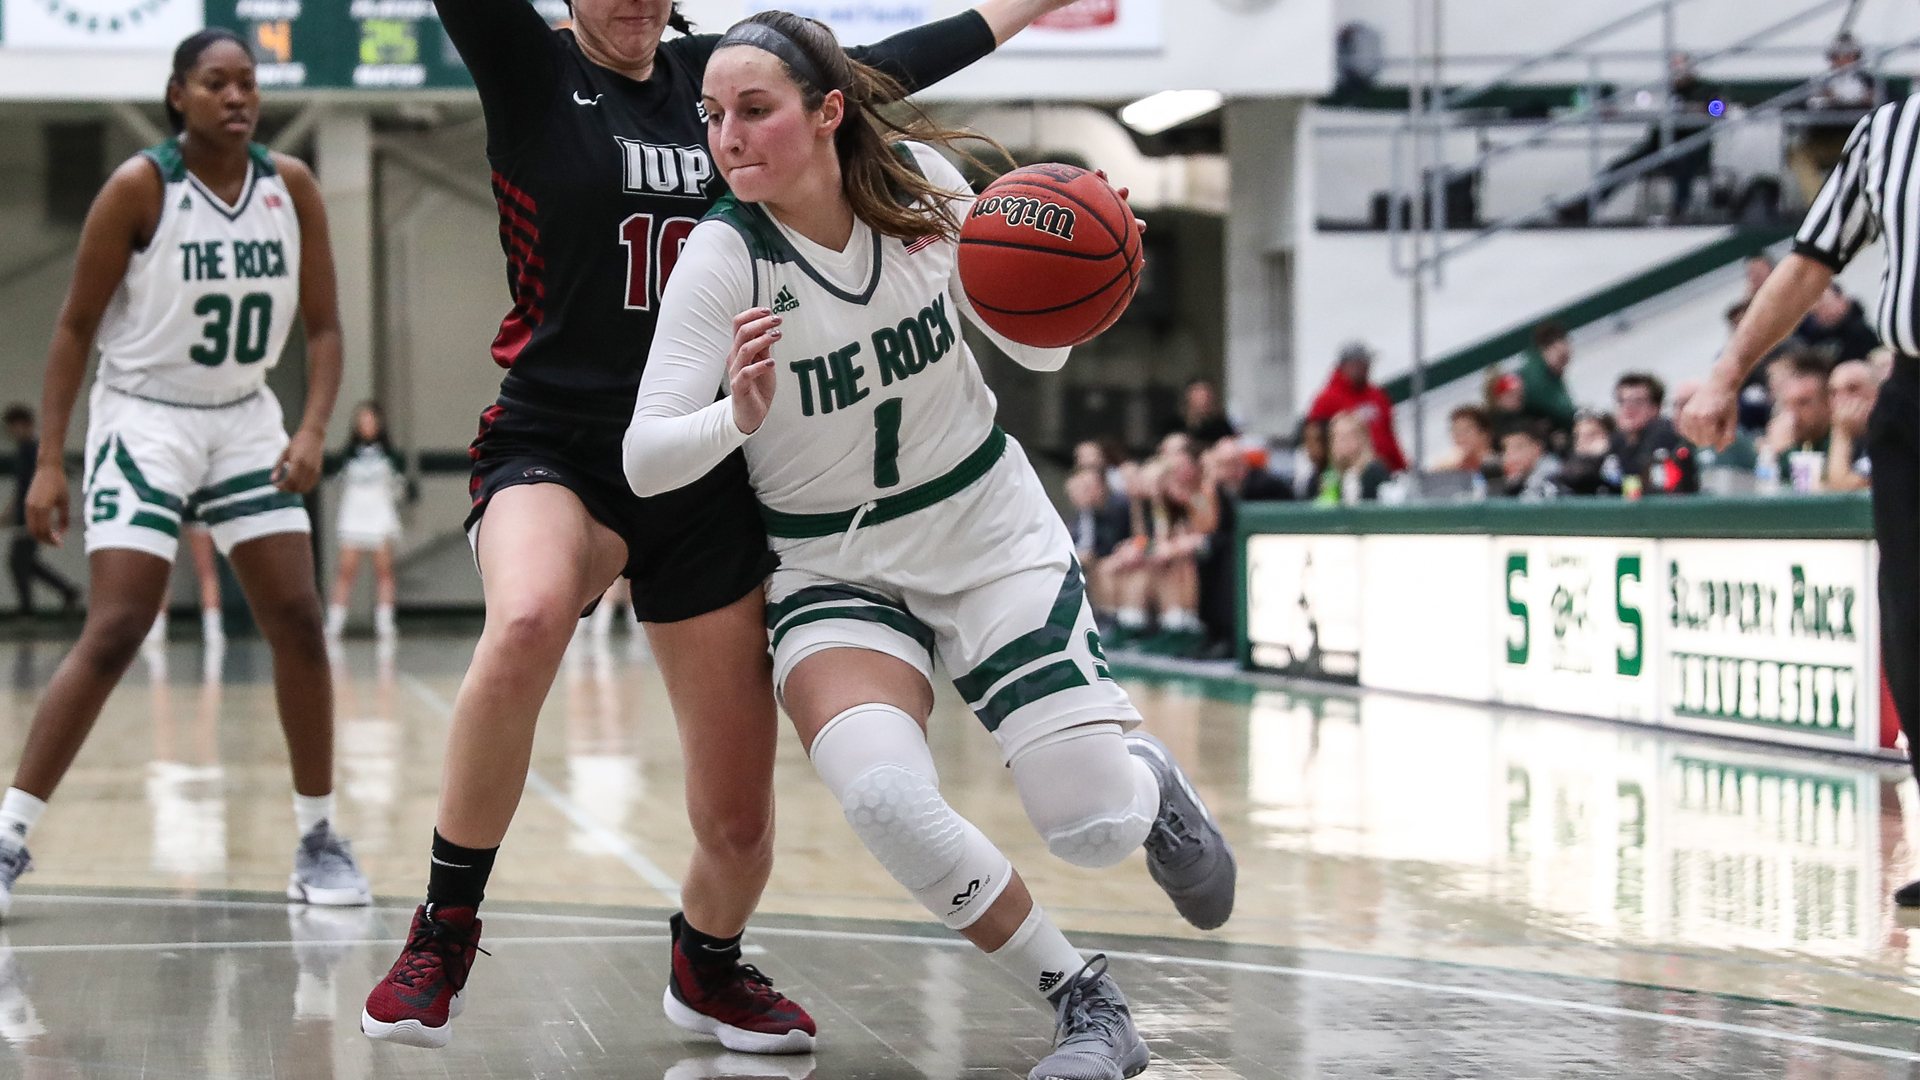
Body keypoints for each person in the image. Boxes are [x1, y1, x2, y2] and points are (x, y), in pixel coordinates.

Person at [359, 0, 1092, 1055]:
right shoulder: (529, 66)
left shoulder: (722, 79)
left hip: (710, 459)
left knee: (741, 825)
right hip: (558, 444)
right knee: (524, 618)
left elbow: (892, 64)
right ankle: (446, 925)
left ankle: (706, 965)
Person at [621, 15, 1237, 1076]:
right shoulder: (723, 254)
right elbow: (643, 457)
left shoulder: (922, 185)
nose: (727, 135)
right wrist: (739, 414)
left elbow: (1033, 360)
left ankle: (1146, 779)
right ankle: (1085, 1002)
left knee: (1089, 827)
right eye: (713, 115)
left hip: (983, 529)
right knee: (880, 793)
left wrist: (1073, 274)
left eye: (754, 110)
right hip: (835, 565)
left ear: (828, 112)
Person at [0, 29, 367, 915]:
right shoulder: (141, 186)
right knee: (119, 623)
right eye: (216, 83)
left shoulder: (294, 187)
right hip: (144, 415)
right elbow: (74, 329)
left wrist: (314, 427)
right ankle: (9, 834)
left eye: (247, 83)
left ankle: (318, 838)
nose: (238, 97)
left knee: (299, 619)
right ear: (179, 96)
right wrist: (50, 460)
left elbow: (323, 329)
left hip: (244, 417)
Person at [1677, 89, 1919, 907]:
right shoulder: (1889, 132)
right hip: (1912, 391)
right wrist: (1726, 370)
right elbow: (1811, 260)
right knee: (1913, 622)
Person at [325, 401, 404, 641]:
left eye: (371, 420)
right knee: (346, 571)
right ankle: (334, 625)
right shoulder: (346, 456)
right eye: (363, 421)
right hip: (353, 518)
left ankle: (385, 624)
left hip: (380, 517)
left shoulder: (391, 456)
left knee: (384, 572)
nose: (367, 425)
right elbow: (333, 478)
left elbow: (399, 487)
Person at [4, 406, 79, 616]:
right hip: (23, 514)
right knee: (24, 562)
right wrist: (9, 513)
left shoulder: (35, 451)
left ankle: (28, 610)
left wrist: (42, 511)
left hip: (33, 513)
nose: (12, 432)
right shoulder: (23, 450)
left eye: (14, 427)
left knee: (19, 562)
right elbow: (21, 488)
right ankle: (67, 591)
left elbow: (41, 485)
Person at [1790, 34, 1875, 202]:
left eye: (1849, 55)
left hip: (1860, 144)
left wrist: (1852, 100)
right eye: (1837, 56)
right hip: (1825, 141)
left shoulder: (1871, 82)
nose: (1843, 60)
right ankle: (1818, 204)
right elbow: (1803, 104)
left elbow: (1880, 104)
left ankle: (1868, 205)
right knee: (1797, 154)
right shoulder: (1821, 82)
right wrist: (1829, 100)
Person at [1306, 342, 1407, 473]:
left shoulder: (1377, 396)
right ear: (1350, 365)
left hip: (1384, 470)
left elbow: (1390, 438)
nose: (1367, 368)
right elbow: (1314, 442)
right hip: (1344, 473)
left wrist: (1402, 467)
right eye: (1363, 363)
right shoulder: (1326, 400)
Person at [1610, 372, 1698, 495]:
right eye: (1622, 401)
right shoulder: (1615, 441)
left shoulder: (1666, 436)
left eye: (1637, 402)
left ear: (1656, 407)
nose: (1628, 408)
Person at [1512, 321, 1577, 452]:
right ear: (1543, 350)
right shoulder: (1534, 376)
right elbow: (1564, 412)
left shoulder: (1548, 373)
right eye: (1561, 355)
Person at [1825, 358, 1878, 492]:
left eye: (1853, 389)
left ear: (1877, 393)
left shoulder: (1892, 432)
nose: (1842, 399)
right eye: (1834, 393)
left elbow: (1843, 486)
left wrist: (1841, 433)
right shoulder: (1855, 437)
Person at [1795, 284, 1881, 365]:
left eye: (1825, 305)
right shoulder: (1810, 338)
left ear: (1841, 299)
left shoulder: (1861, 331)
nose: (1821, 310)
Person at [1316, 410, 1390, 504]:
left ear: (1361, 439)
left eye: (1345, 437)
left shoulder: (1374, 472)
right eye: (1335, 437)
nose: (1339, 443)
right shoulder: (1332, 476)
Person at [1555, 412, 1623, 496]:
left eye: (1591, 435)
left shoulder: (1616, 459)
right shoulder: (1568, 465)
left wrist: (1603, 454)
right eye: (1578, 436)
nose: (1583, 441)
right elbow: (1575, 478)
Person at [1496, 428, 1562, 499]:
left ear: (1537, 448)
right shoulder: (1516, 482)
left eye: (1518, 448)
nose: (1510, 456)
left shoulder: (1553, 476)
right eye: (1505, 449)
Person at [1432, 404, 1495, 476]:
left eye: (1466, 430)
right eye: (1455, 432)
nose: (1460, 437)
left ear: (1485, 433)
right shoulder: (1453, 466)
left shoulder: (1500, 463)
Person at [1168, 378, 1235, 445]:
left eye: (1207, 396)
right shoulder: (1174, 424)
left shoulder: (1221, 426)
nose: (1204, 400)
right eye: (1199, 396)